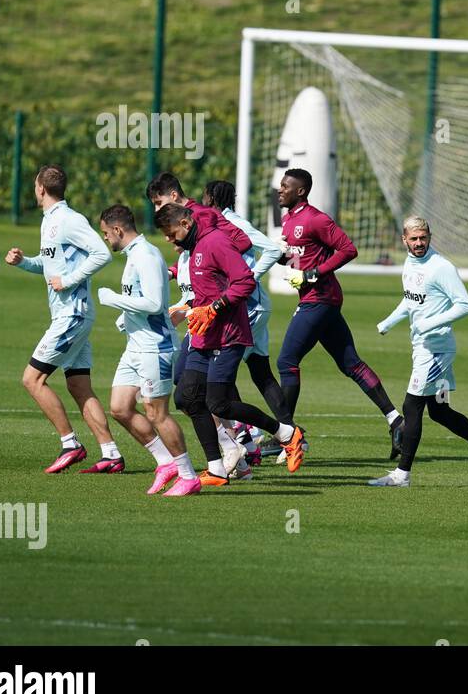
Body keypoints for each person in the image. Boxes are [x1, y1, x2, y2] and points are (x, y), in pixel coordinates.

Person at [156, 203, 306, 492]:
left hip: (228, 335)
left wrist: (214, 308)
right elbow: (205, 290)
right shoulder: (194, 248)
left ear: (185, 224)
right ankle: (216, 468)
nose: (168, 239)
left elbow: (245, 281)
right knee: (187, 397)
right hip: (203, 334)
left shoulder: (215, 242)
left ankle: (286, 432)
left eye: (170, 232)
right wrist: (191, 309)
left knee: (218, 403)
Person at [275, 168, 405, 469]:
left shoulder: (316, 218)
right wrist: (286, 260)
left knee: (286, 362)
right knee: (351, 364)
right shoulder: (289, 219)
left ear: (301, 191)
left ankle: (286, 433)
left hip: (320, 299)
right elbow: (301, 255)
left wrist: (313, 273)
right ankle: (396, 420)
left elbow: (348, 249)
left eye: (285, 186)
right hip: (318, 298)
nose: (280, 190)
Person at [370, 216, 468, 487]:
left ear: (429, 236)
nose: (419, 243)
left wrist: (430, 323)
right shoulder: (410, 264)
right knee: (440, 410)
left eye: (423, 238)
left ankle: (402, 475)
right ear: (404, 240)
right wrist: (389, 321)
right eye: (414, 239)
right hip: (422, 348)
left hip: (436, 352)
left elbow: (464, 304)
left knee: (412, 406)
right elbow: (411, 299)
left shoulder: (441, 267)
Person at [5, 164, 119, 474]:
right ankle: (111, 453)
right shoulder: (51, 222)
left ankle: (70, 444)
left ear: (40, 188)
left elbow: (102, 253)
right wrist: (24, 262)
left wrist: (68, 282)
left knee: (32, 379)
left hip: (72, 315)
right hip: (70, 315)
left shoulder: (69, 220)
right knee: (79, 386)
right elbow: (51, 264)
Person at [95, 204, 199, 495]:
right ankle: (165, 462)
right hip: (135, 347)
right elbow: (140, 299)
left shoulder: (147, 255)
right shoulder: (132, 256)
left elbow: (154, 304)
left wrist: (114, 300)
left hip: (155, 348)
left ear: (118, 230)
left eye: (105, 233)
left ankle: (188, 476)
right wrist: (125, 317)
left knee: (157, 414)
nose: (105, 238)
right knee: (119, 407)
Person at [202, 180, 289, 454]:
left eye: (204, 197)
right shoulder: (217, 222)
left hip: (248, 306)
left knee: (218, 372)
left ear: (212, 198)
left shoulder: (233, 223)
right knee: (260, 371)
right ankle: (290, 435)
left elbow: (274, 250)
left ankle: (244, 438)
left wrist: (248, 279)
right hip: (250, 305)